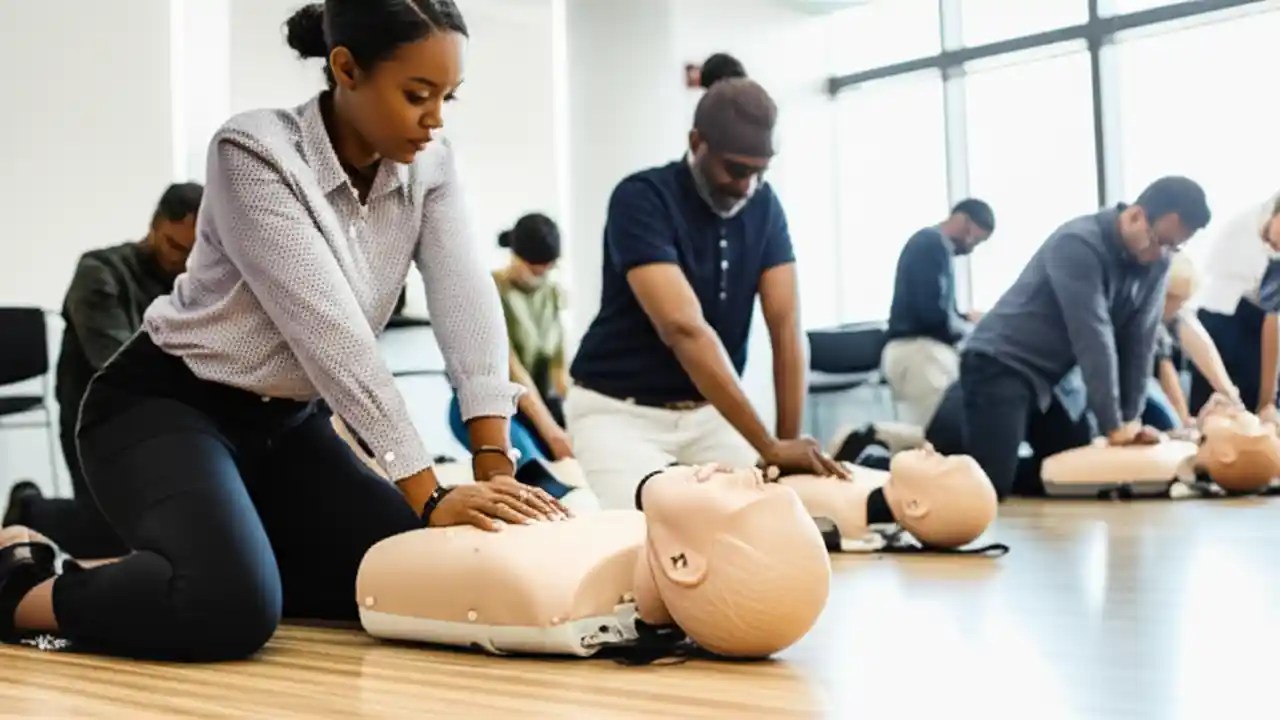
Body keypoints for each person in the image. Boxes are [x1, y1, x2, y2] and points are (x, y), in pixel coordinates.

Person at [0, 0, 566, 661]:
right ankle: (21, 587)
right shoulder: (254, 151)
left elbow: (466, 299)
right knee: (227, 607)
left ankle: (207, 565)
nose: (434, 118)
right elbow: (331, 335)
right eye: (417, 94)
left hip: (286, 427)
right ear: (346, 68)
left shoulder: (432, 167)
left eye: (448, 97)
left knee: (396, 574)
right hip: (164, 407)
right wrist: (428, 488)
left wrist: (492, 463)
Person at [566, 78, 846, 511]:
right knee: (655, 527)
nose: (746, 186)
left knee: (768, 516)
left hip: (708, 416)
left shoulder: (765, 207)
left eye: (759, 172)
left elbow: (786, 327)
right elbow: (683, 329)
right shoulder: (641, 198)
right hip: (619, 413)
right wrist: (768, 445)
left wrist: (786, 447)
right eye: (735, 169)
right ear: (696, 143)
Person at [926, 177, 1212, 499]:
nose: (1161, 253)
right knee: (992, 485)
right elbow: (1092, 333)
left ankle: (964, 459)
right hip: (1001, 364)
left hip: (1052, 381)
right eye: (1158, 241)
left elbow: (1139, 341)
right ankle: (903, 467)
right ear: (1135, 216)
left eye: (1174, 246)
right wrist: (1113, 426)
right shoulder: (1078, 243)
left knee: (1072, 471)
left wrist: (1130, 422)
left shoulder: (1158, 263)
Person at [3, 184, 203, 559]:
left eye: (195, 252)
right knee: (119, 534)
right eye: (175, 246)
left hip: (166, 418)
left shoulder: (192, 283)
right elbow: (117, 362)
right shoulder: (98, 272)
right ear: (155, 225)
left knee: (169, 527)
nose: (183, 260)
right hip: (94, 418)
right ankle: (30, 509)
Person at [446, 213, 572, 465]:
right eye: (535, 269)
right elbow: (514, 373)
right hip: (488, 406)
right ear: (515, 255)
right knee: (537, 472)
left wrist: (573, 425)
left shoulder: (552, 293)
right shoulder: (487, 291)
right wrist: (554, 435)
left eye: (547, 268)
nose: (541, 275)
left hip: (538, 408)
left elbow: (558, 370)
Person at [882, 199, 995, 426]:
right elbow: (934, 316)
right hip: (921, 354)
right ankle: (868, 437)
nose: (972, 248)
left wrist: (963, 318)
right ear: (964, 221)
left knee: (929, 436)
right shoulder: (932, 244)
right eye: (976, 239)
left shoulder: (931, 245)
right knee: (937, 438)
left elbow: (934, 307)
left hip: (917, 354)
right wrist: (969, 330)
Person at [1186, 193, 1280, 420]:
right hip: (1229, 319)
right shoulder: (1253, 238)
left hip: (1225, 312)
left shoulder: (1263, 218)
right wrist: (1267, 402)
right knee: (1231, 417)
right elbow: (1272, 322)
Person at [1142, 253, 1239, 430]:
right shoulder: (1148, 320)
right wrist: (1182, 422)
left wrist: (1231, 396)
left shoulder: (1177, 317)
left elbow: (1203, 347)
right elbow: (1165, 370)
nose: (1179, 308)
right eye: (1176, 302)